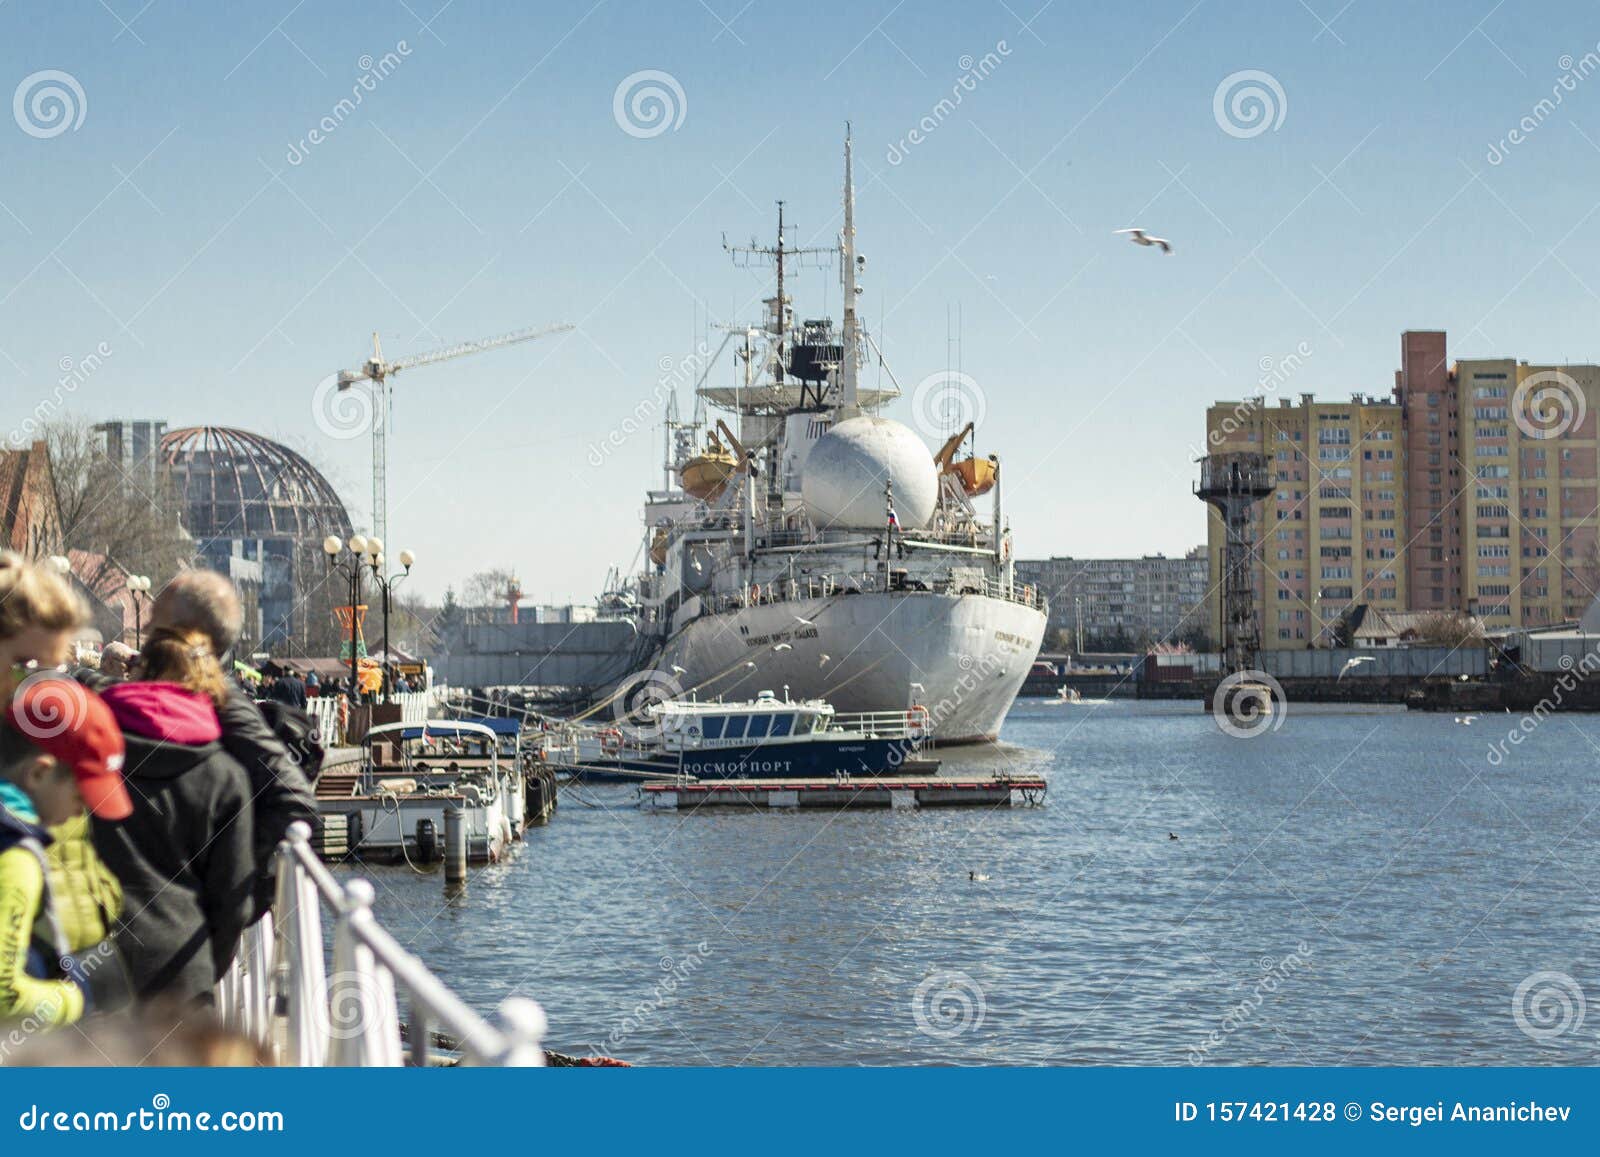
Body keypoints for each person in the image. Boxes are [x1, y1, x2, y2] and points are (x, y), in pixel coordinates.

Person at [91, 627, 255, 1006]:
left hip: (93, 959)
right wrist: (206, 967)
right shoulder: (224, 774)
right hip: (181, 961)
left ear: (138, 670)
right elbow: (233, 897)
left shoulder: (88, 756)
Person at [143, 572, 315, 917]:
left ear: (188, 635)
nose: (145, 634)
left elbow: (294, 801)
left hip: (187, 924)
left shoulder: (228, 707)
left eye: (156, 627)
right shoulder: (189, 695)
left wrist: (227, 890)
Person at [0, 679, 133, 1029]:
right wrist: (75, 1000)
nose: (81, 811)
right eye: (80, 795)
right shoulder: (16, 859)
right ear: (39, 773)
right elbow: (4, 995)